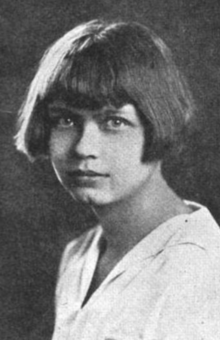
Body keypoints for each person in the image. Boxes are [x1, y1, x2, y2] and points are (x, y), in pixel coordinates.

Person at [15, 20, 220, 339]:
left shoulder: (197, 267)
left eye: (114, 121)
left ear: (157, 122)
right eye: (66, 120)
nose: (84, 147)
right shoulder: (79, 254)